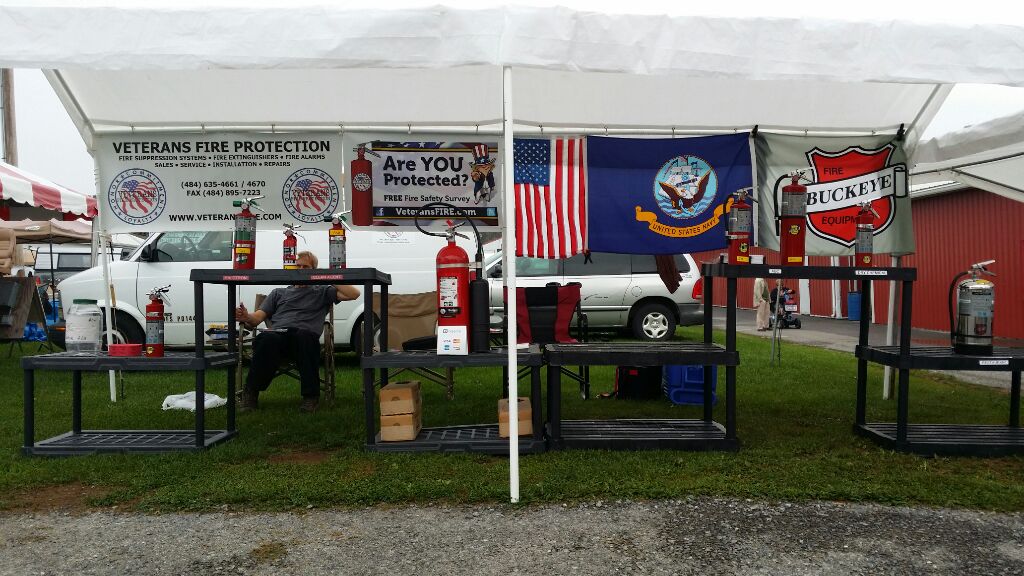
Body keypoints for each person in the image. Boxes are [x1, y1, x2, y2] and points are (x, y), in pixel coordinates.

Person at [234, 250, 360, 413]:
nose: (300, 269)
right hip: (278, 337)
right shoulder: (278, 293)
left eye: (305, 267)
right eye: (297, 266)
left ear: (313, 270)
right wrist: (246, 316)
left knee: (304, 337)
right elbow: (257, 319)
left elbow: (354, 294)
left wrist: (326, 276)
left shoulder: (322, 291)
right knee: (266, 338)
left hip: (304, 338)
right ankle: (250, 394)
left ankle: (310, 397)